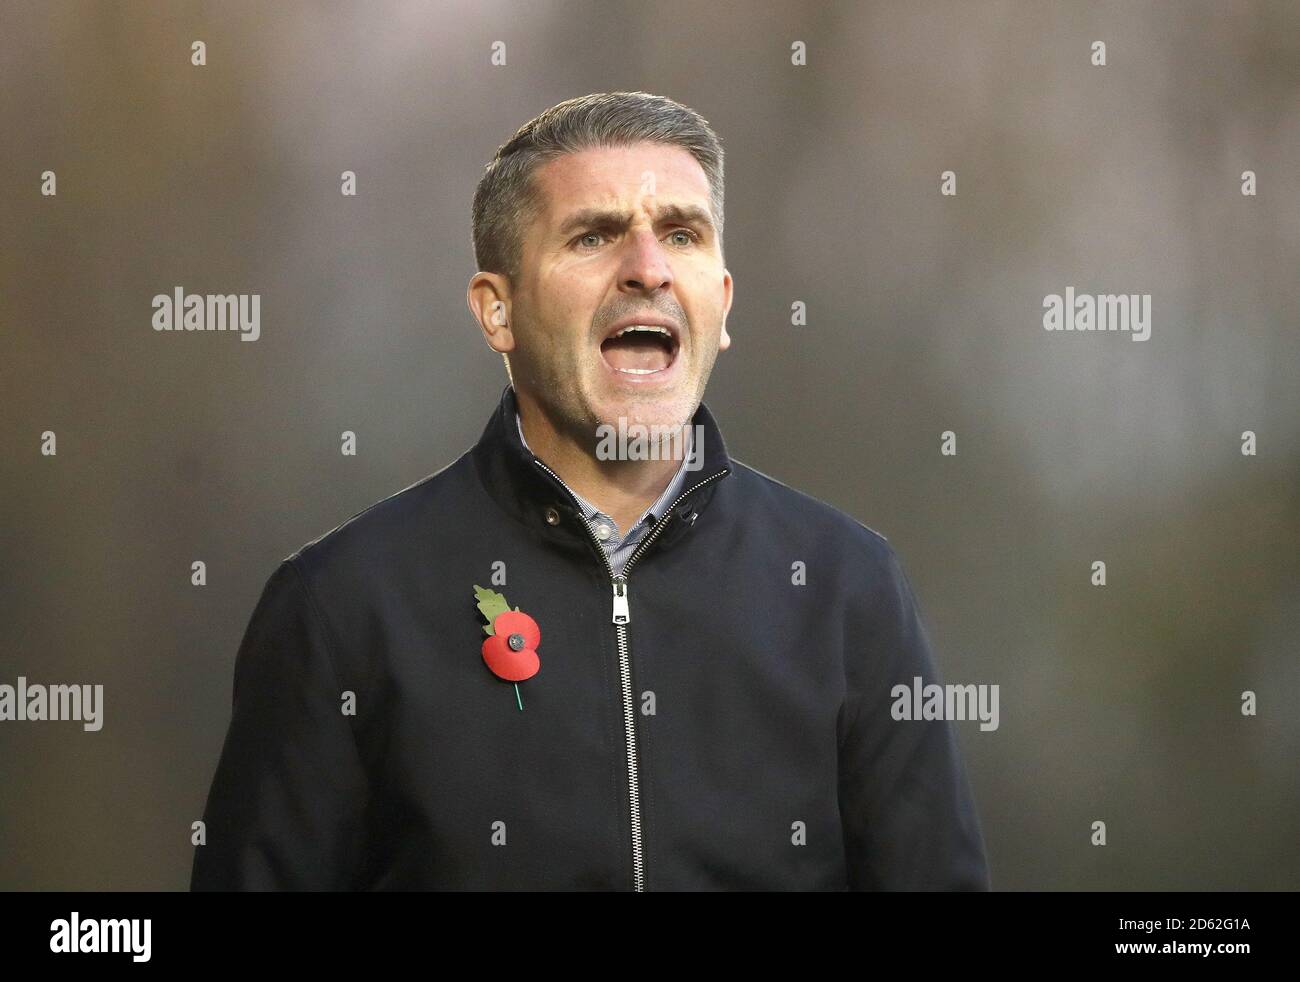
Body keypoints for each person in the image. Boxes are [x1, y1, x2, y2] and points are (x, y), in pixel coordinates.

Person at [191, 91, 990, 891]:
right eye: (594, 235)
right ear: (496, 311)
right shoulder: (343, 605)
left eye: (681, 234)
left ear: (723, 300)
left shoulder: (849, 589)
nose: (647, 268)